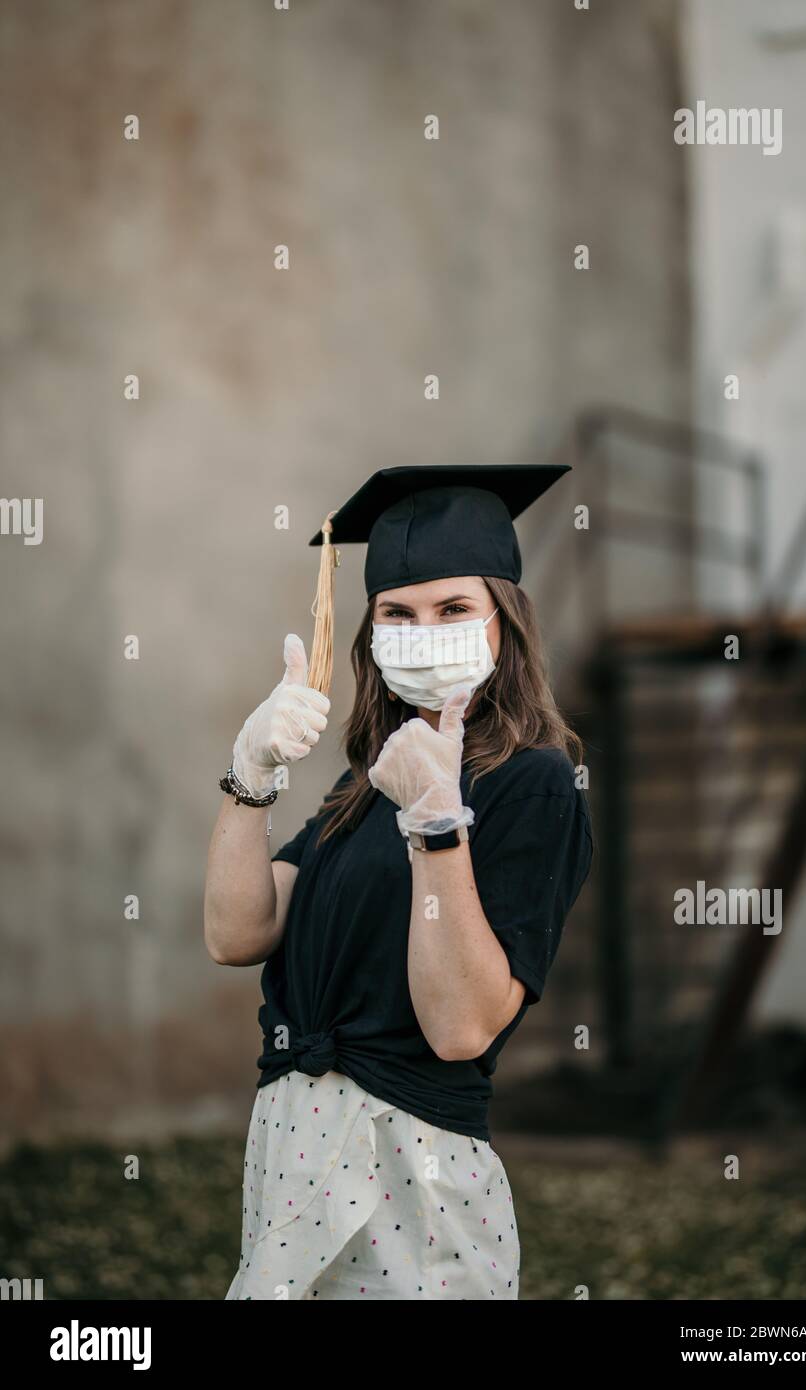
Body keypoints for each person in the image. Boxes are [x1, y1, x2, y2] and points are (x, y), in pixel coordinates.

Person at [204, 465, 593, 1300]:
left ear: (505, 621)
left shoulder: (534, 783)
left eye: (454, 609)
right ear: (372, 633)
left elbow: (460, 1028)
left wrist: (437, 823)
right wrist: (250, 775)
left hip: (410, 1162)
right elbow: (237, 933)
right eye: (398, 614)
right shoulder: (368, 782)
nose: (426, 630)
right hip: (293, 1137)